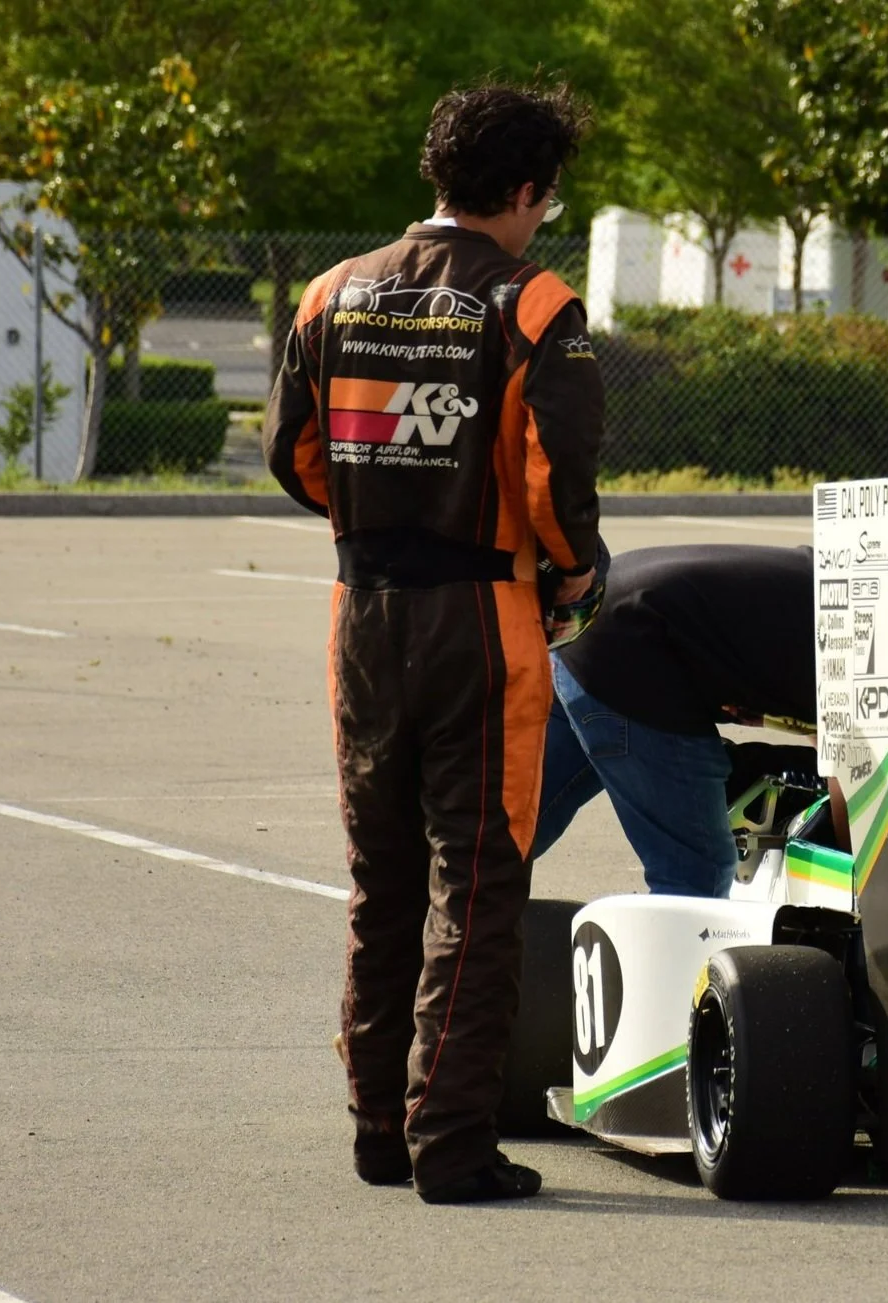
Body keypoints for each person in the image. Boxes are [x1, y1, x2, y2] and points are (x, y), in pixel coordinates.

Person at [263, 80, 602, 1205]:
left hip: (362, 613)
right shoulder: (532, 303)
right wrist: (575, 568)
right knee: (480, 880)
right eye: (547, 200)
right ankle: (449, 1143)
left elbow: (292, 453)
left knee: (384, 880)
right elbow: (555, 479)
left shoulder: (333, 291)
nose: (543, 219)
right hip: (482, 618)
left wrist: (382, 513)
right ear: (525, 190)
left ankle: (377, 1129)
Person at [532, 545, 816, 896]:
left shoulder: (840, 587)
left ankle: (472, 922)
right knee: (697, 871)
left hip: (586, 627)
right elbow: (852, 776)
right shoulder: (863, 652)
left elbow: (834, 743)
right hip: (634, 652)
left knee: (503, 833)